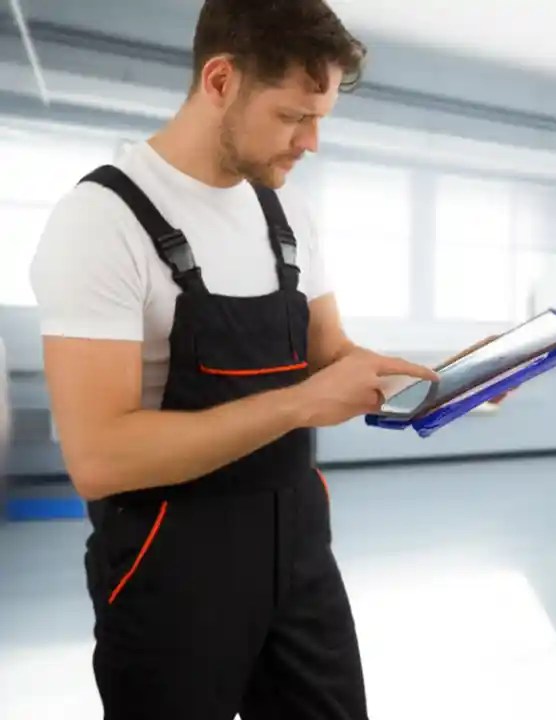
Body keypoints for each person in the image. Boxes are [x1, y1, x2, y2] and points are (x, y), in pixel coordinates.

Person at [28, 1, 459, 717]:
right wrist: (299, 404)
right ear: (220, 81)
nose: (312, 142)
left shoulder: (285, 213)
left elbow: (332, 357)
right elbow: (100, 456)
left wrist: (439, 382)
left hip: (299, 551)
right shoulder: (102, 221)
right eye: (294, 116)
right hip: (168, 568)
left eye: (319, 118)